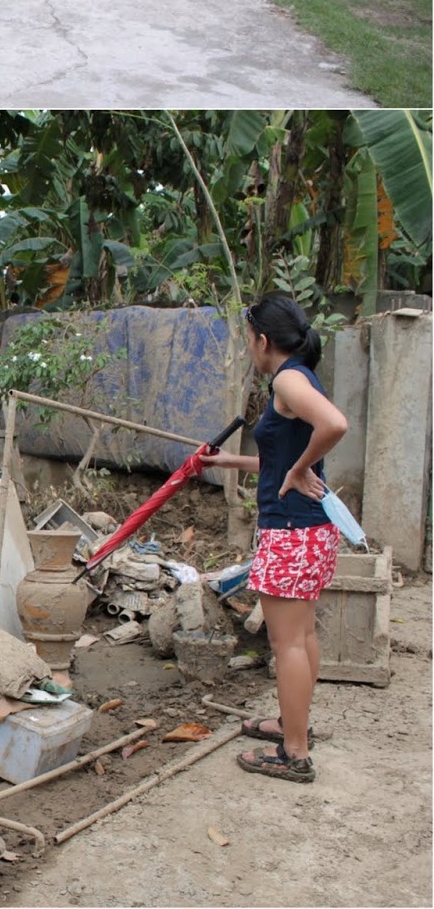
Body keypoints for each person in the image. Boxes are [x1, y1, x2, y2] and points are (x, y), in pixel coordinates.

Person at [204, 293, 348, 783]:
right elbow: (285, 458)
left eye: (248, 338)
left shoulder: (286, 377)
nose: (248, 347)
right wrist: (231, 463)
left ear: (263, 340)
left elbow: (335, 426)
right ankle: (293, 725)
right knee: (302, 636)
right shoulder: (299, 378)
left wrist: (302, 467)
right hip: (310, 530)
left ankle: (294, 752)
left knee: (286, 642)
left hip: (291, 530)